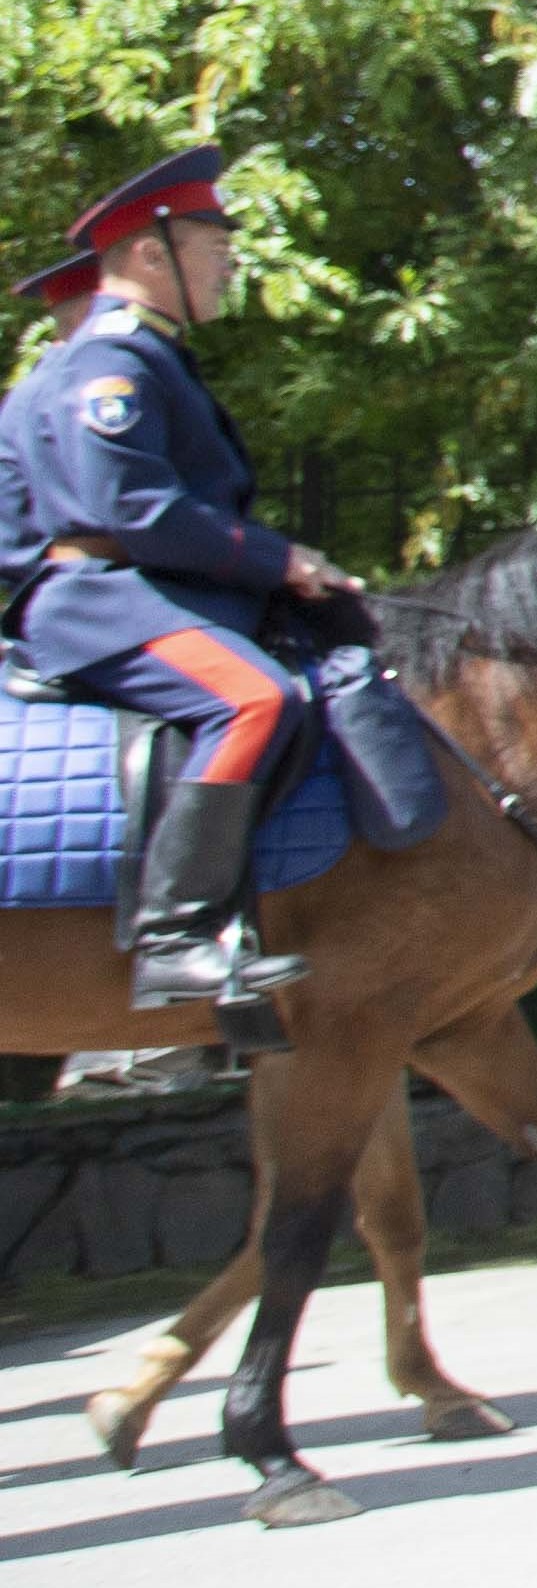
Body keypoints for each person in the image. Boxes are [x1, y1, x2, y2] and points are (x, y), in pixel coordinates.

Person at [0, 149, 363, 1016]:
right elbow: (131, 507)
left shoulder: (152, 357)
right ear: (153, 254)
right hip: (99, 605)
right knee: (254, 701)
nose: (231, 258)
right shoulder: (109, 366)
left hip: (138, 595)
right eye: (213, 241)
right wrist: (279, 560)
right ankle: (176, 936)